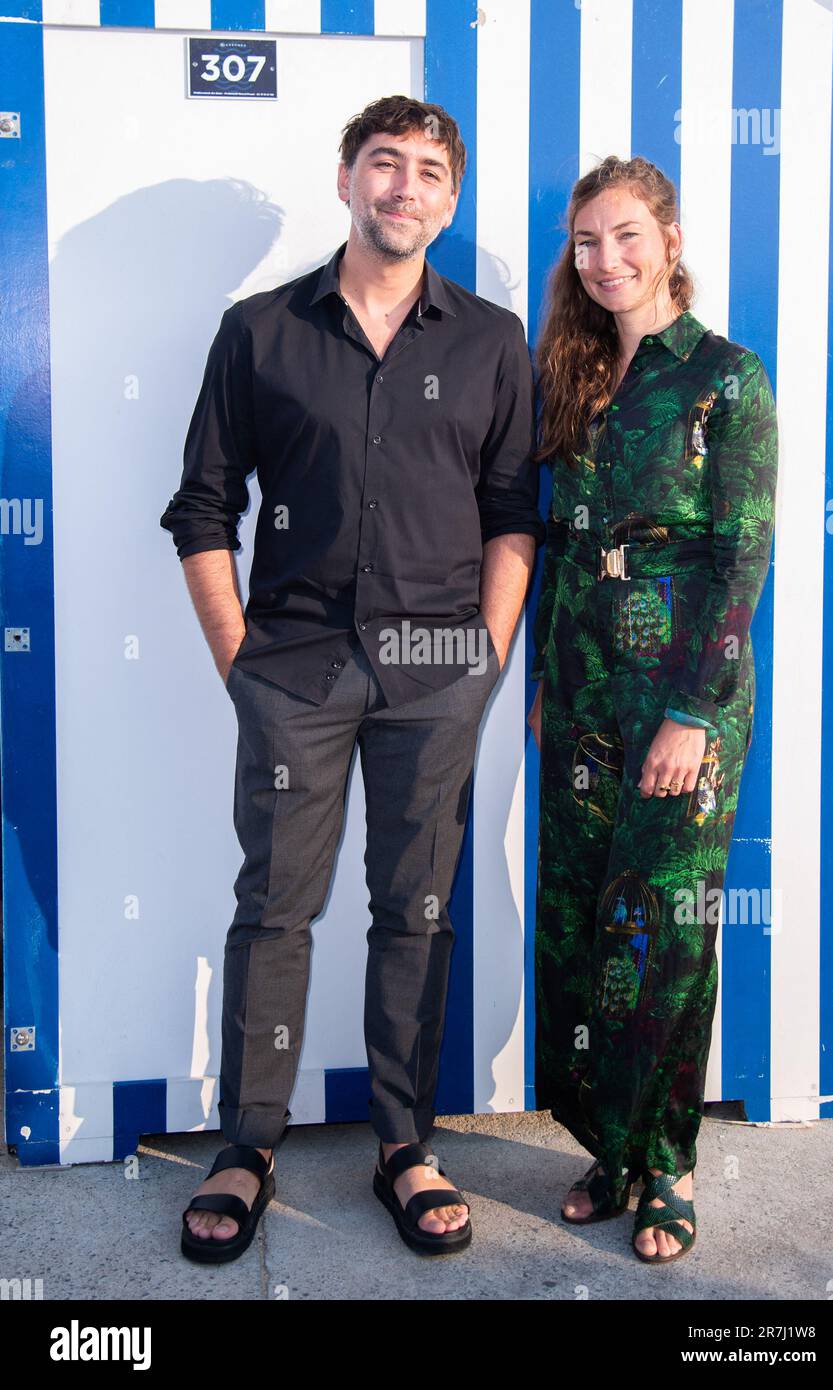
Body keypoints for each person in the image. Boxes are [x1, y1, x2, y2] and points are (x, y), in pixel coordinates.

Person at [160, 94, 545, 1262]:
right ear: (346, 178)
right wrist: (245, 668)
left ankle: (402, 1142)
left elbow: (512, 517)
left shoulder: (490, 341)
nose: (404, 187)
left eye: (430, 171)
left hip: (436, 677)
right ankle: (247, 1144)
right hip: (296, 671)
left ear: (449, 198)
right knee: (274, 907)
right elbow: (202, 509)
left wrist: (475, 661)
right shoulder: (259, 332)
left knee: (412, 913)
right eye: (385, 163)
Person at [526, 155, 778, 1263]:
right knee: (583, 922)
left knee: (664, 932)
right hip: (579, 692)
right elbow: (559, 543)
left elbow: (739, 561)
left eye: (625, 235)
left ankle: (667, 1164)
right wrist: (543, 679)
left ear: (668, 240)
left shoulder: (726, 377)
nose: (606, 259)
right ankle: (608, 1147)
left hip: (685, 702)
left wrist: (690, 712)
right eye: (586, 242)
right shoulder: (573, 372)